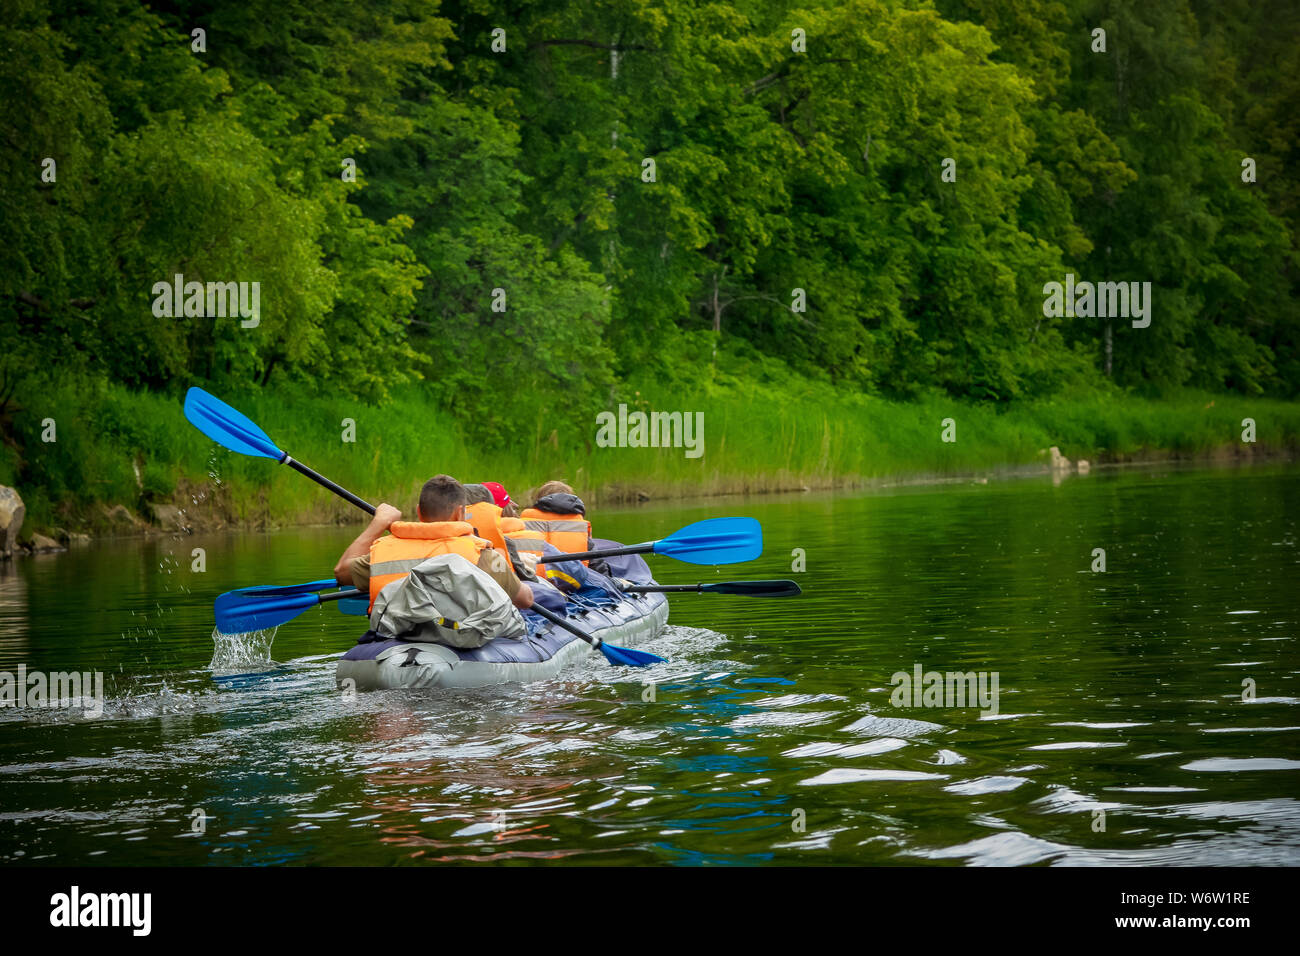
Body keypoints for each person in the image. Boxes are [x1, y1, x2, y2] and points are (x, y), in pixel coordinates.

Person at [333, 475, 534, 613]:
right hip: (458, 642)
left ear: (419, 512)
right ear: (460, 513)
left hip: (393, 642)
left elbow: (341, 572)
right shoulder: (483, 555)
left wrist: (378, 523)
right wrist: (526, 571)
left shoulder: (383, 552)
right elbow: (525, 600)